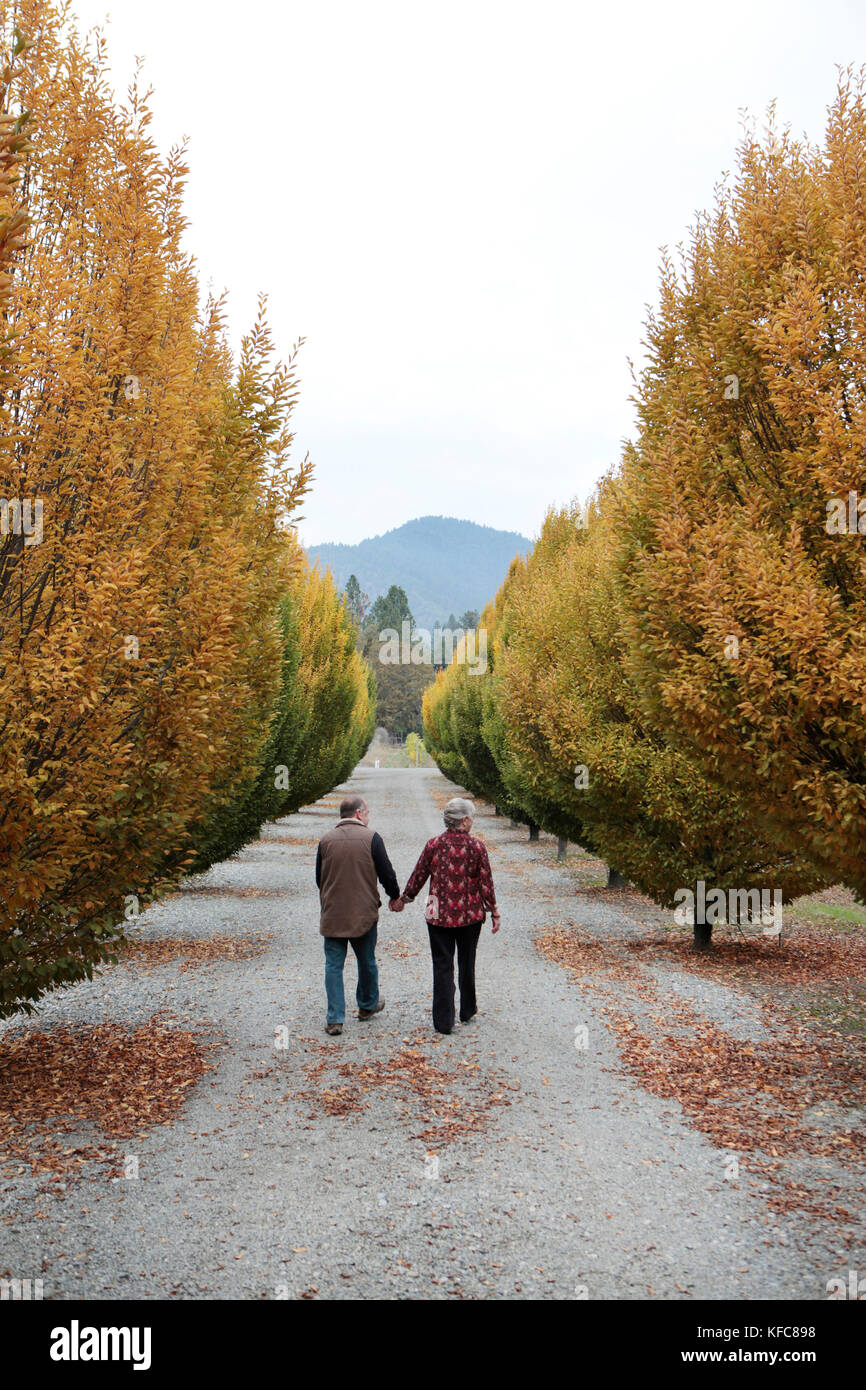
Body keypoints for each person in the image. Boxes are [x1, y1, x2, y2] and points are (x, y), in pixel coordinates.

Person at [393, 797, 499, 1034]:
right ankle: (467, 1010)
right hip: (469, 914)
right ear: (464, 820)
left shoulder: (434, 845)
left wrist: (404, 898)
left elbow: (418, 875)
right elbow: (486, 883)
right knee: (466, 961)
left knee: (442, 965)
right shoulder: (477, 847)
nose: (473, 821)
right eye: (471, 817)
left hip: (437, 913)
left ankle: (443, 1021)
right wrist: (494, 911)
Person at [315, 795, 402, 1036]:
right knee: (367, 961)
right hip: (364, 913)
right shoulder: (371, 838)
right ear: (359, 814)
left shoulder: (325, 841)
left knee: (333, 965)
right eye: (368, 812)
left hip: (333, 914)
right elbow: (386, 872)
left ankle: (335, 1019)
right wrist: (395, 896)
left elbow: (318, 879)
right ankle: (367, 1005)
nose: (369, 817)